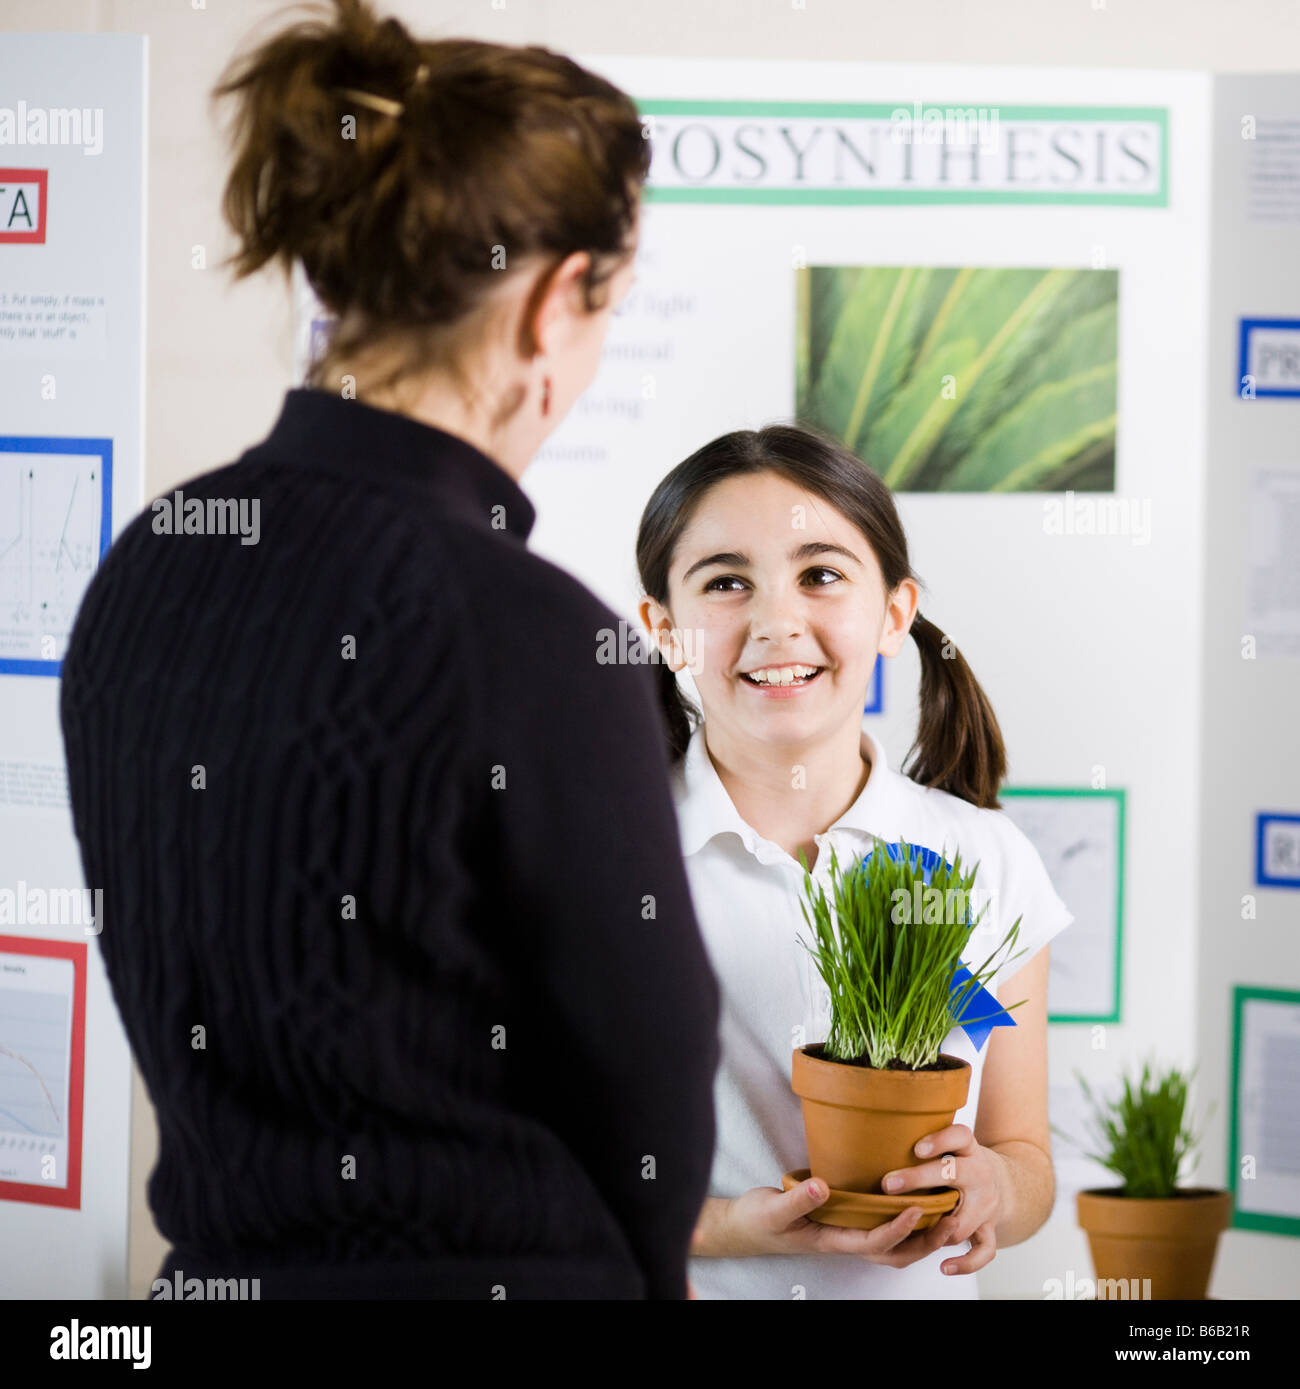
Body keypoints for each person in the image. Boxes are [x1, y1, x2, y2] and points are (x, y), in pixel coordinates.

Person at [58, 0, 718, 1300]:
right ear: (548, 305)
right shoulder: (527, 631)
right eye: (608, 307)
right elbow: (650, 1067)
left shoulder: (145, 566)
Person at [635, 423, 1074, 1299]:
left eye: (821, 574)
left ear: (894, 613)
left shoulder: (981, 860)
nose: (776, 621)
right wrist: (728, 1227)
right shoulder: (609, 855)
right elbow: (552, 1171)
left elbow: (1025, 1159)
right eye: (726, 583)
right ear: (665, 628)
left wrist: (994, 1187)